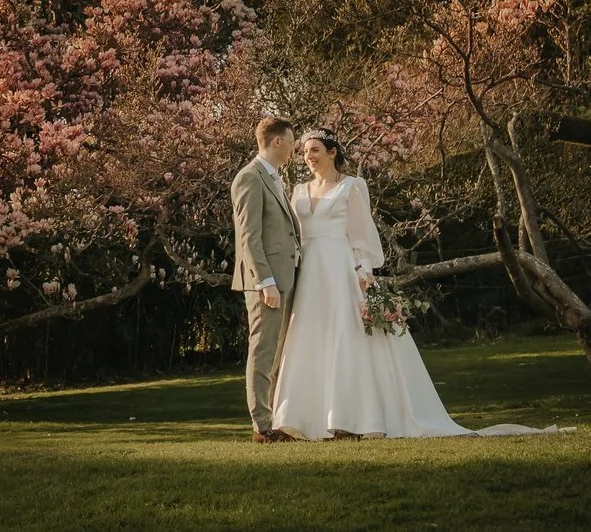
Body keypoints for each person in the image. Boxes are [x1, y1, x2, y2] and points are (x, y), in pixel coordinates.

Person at [269, 128, 559, 440]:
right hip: (310, 275)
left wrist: (363, 277)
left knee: (346, 338)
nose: (308, 157)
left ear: (332, 152)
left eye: (314, 150)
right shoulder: (298, 191)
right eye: (304, 152)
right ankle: (297, 420)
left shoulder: (352, 186)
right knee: (309, 339)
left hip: (341, 271)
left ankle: (351, 418)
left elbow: (363, 238)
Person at [228, 115, 302, 442]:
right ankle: (261, 426)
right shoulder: (250, 178)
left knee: (275, 352)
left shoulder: (273, 178)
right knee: (262, 351)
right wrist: (265, 281)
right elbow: (249, 237)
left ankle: (271, 419)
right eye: (292, 143)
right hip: (265, 283)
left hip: (283, 278)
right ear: (276, 142)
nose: (294, 150)